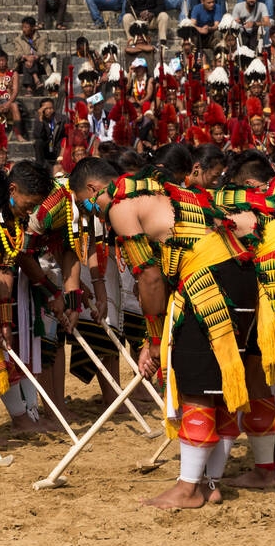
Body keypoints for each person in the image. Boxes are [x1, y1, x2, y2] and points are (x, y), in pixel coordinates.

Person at [70, 156, 259, 508]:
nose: (92, 211)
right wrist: (153, 340)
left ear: (95, 189)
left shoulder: (121, 204)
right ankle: (211, 483)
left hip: (208, 283)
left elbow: (150, 278)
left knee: (199, 389)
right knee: (219, 387)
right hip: (241, 277)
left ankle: (188, 489)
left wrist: (155, 343)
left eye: (87, 202)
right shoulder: (163, 188)